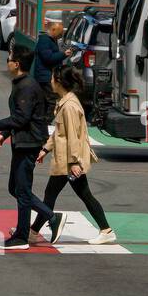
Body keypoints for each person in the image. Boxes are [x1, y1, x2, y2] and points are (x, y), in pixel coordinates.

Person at [32, 65, 116, 245]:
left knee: (55, 195)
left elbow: (73, 137)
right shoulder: (65, 102)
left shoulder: (69, 106)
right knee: (78, 194)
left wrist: (75, 162)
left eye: (53, 78)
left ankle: (33, 231)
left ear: (59, 82)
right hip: (67, 161)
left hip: (68, 162)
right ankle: (106, 229)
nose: (50, 81)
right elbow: (59, 134)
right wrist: (45, 149)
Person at [0, 48, 52, 251]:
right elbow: (20, 118)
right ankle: (49, 216)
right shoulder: (22, 84)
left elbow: (21, 118)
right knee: (15, 188)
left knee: (22, 191)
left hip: (29, 143)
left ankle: (23, 235)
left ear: (17, 64)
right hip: (22, 141)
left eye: (9, 59)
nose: (6, 62)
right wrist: (5, 134)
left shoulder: (26, 86)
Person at [31, 17, 68, 108]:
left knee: (46, 101)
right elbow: (48, 58)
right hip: (45, 77)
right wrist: (63, 54)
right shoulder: (45, 40)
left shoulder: (50, 40)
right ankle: (47, 120)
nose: (61, 35)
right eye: (59, 32)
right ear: (53, 29)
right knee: (51, 101)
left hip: (48, 75)